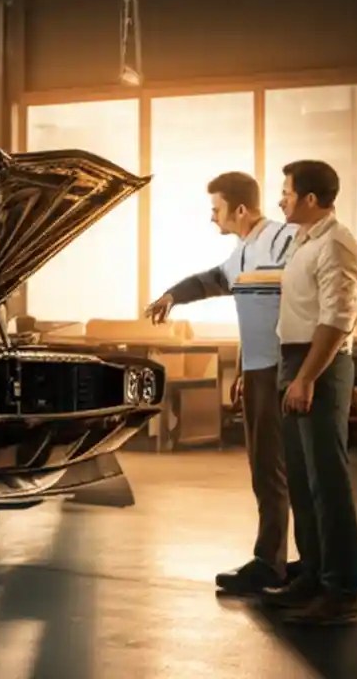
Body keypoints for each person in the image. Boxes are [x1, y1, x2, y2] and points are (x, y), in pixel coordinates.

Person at [144, 171, 298, 594]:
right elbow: (212, 281)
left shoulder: (284, 241)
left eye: (217, 209)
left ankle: (284, 564)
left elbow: (301, 304)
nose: (212, 217)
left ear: (240, 209)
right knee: (264, 468)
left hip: (285, 370)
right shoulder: (243, 252)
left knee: (282, 469)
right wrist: (172, 296)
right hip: (259, 370)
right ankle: (274, 561)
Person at [261, 159, 357, 625]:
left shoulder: (337, 245)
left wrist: (306, 377)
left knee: (327, 483)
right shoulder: (304, 241)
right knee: (303, 481)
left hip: (319, 363)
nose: (280, 199)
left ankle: (341, 592)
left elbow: (338, 319)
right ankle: (312, 576)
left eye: (286, 192)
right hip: (295, 360)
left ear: (309, 198)